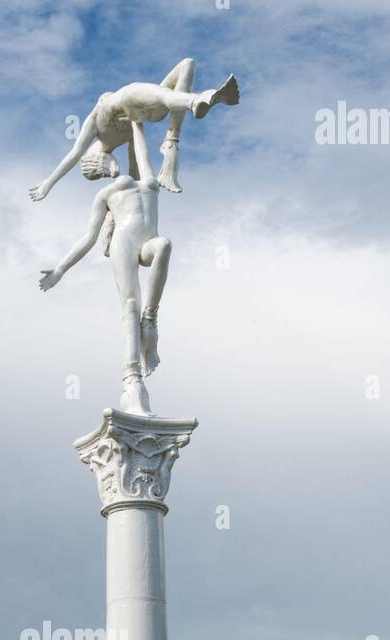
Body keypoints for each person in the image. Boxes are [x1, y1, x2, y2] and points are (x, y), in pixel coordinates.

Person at [39, 121, 171, 415]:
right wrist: (60, 269)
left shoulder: (147, 180)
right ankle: (132, 377)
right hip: (123, 243)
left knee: (163, 245)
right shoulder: (107, 195)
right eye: (100, 164)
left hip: (147, 242)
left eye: (103, 159)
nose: (106, 164)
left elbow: (141, 150)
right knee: (130, 307)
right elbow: (89, 238)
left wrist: (137, 121)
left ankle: (151, 320)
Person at [29, 59, 238, 200]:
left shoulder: (101, 128)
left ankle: (172, 138)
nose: (108, 172)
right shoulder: (114, 132)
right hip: (136, 103)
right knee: (171, 91)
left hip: (140, 106)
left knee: (186, 66)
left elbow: (75, 156)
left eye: (102, 172)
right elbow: (135, 162)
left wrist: (49, 183)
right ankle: (194, 104)